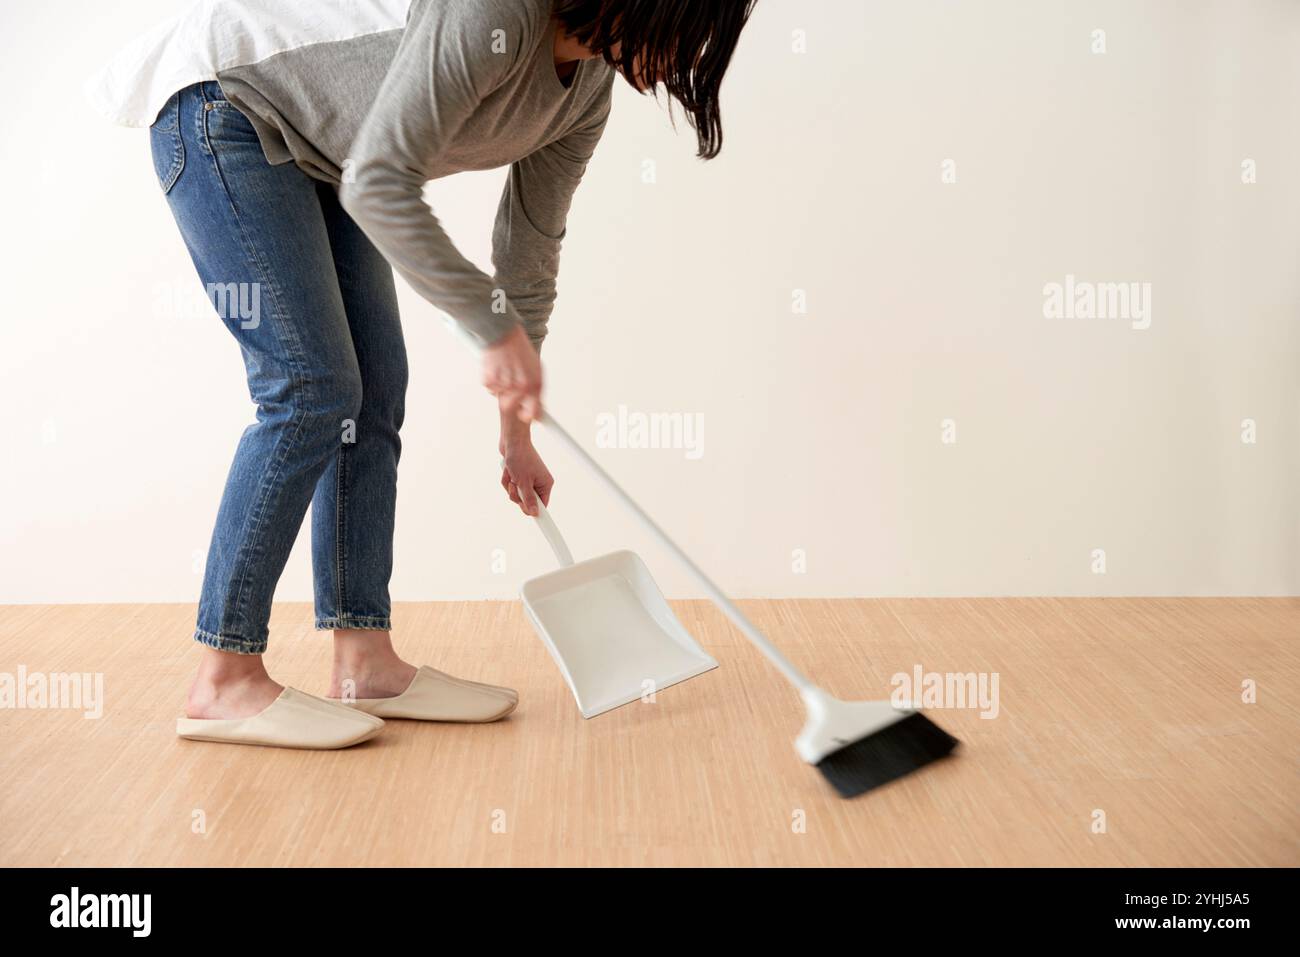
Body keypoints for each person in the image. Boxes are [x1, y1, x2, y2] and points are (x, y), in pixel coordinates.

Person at [87, 0, 756, 748]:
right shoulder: (494, 13)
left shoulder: (588, 94)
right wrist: (490, 324)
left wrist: (515, 432)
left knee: (370, 395)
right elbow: (380, 181)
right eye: (685, 37)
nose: (677, 66)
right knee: (311, 390)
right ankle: (223, 678)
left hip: (324, 150)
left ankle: (362, 661)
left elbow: (528, 256)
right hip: (224, 106)